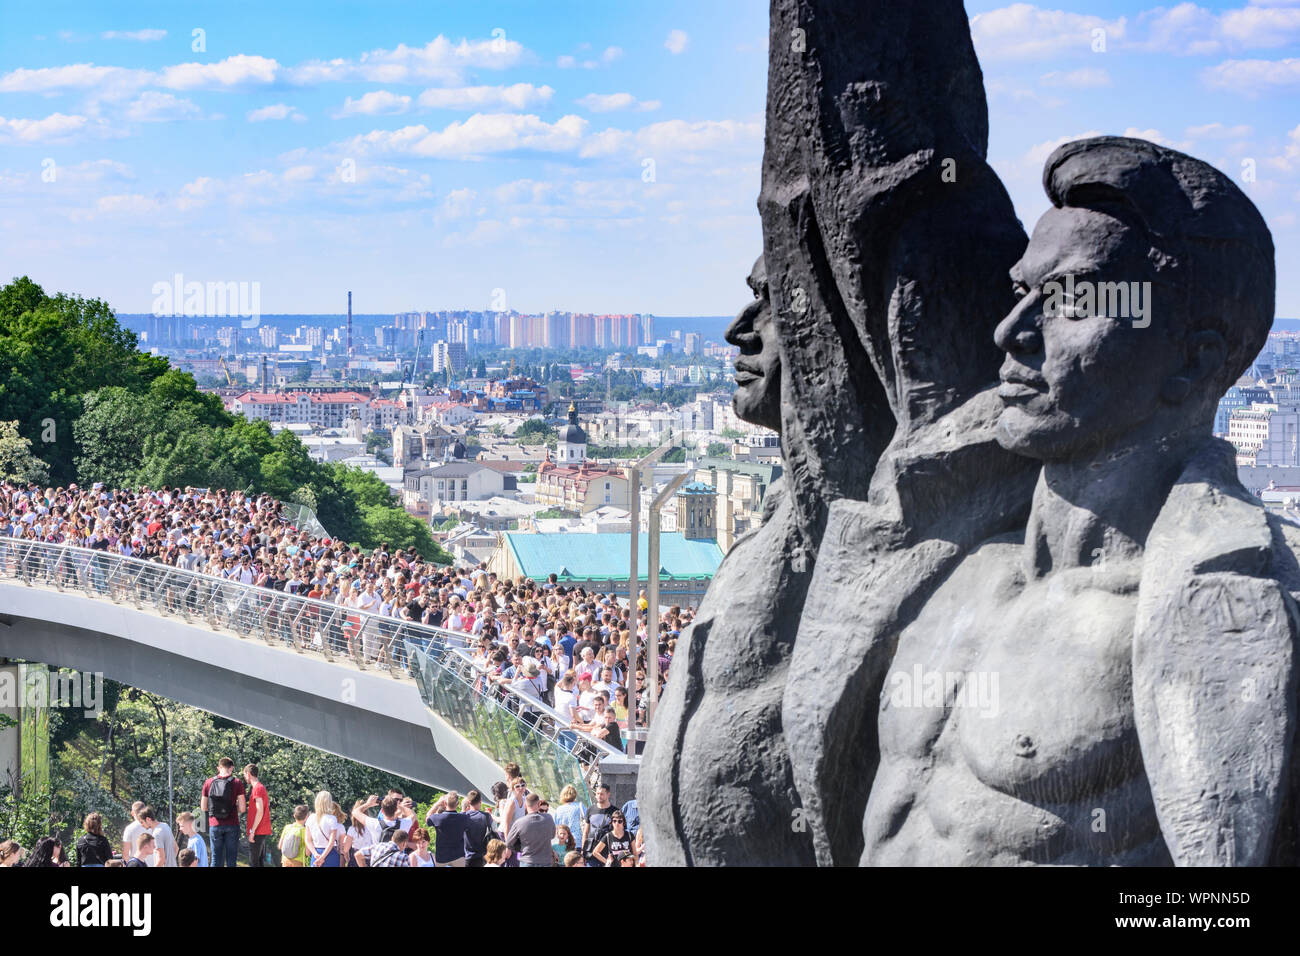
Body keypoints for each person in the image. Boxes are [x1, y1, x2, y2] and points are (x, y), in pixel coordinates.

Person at [201, 756, 247, 867]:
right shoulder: (237, 783)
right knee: (231, 860)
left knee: (215, 859)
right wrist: (234, 806)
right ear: (232, 768)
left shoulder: (208, 782)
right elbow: (242, 809)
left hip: (215, 825)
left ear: (218, 768)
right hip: (232, 825)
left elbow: (203, 807)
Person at [506, 792, 556, 867]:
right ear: (539, 804)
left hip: (527, 860)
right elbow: (552, 835)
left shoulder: (519, 822)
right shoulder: (548, 818)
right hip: (545, 861)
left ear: (525, 805)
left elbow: (509, 843)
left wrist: (521, 847)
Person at [425, 791, 470, 868]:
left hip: (442, 858)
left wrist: (437, 804)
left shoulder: (438, 818)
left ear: (445, 803)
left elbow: (427, 818)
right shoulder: (464, 818)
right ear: (457, 804)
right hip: (458, 857)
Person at [243, 763, 272, 867]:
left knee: (254, 862)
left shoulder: (257, 788)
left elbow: (260, 811)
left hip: (258, 831)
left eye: (244, 775)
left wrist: (252, 831)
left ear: (248, 774)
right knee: (258, 862)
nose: (244, 777)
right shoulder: (259, 787)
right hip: (260, 830)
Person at [305, 790, 345, 867]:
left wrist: (316, 854)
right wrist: (322, 857)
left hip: (316, 853)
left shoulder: (310, 818)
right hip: (330, 854)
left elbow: (308, 840)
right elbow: (331, 842)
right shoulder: (332, 819)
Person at [462, 789, 496, 867]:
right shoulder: (486, 816)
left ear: (469, 802)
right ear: (480, 801)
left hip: (468, 857)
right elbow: (493, 829)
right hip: (483, 856)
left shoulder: (463, 817)